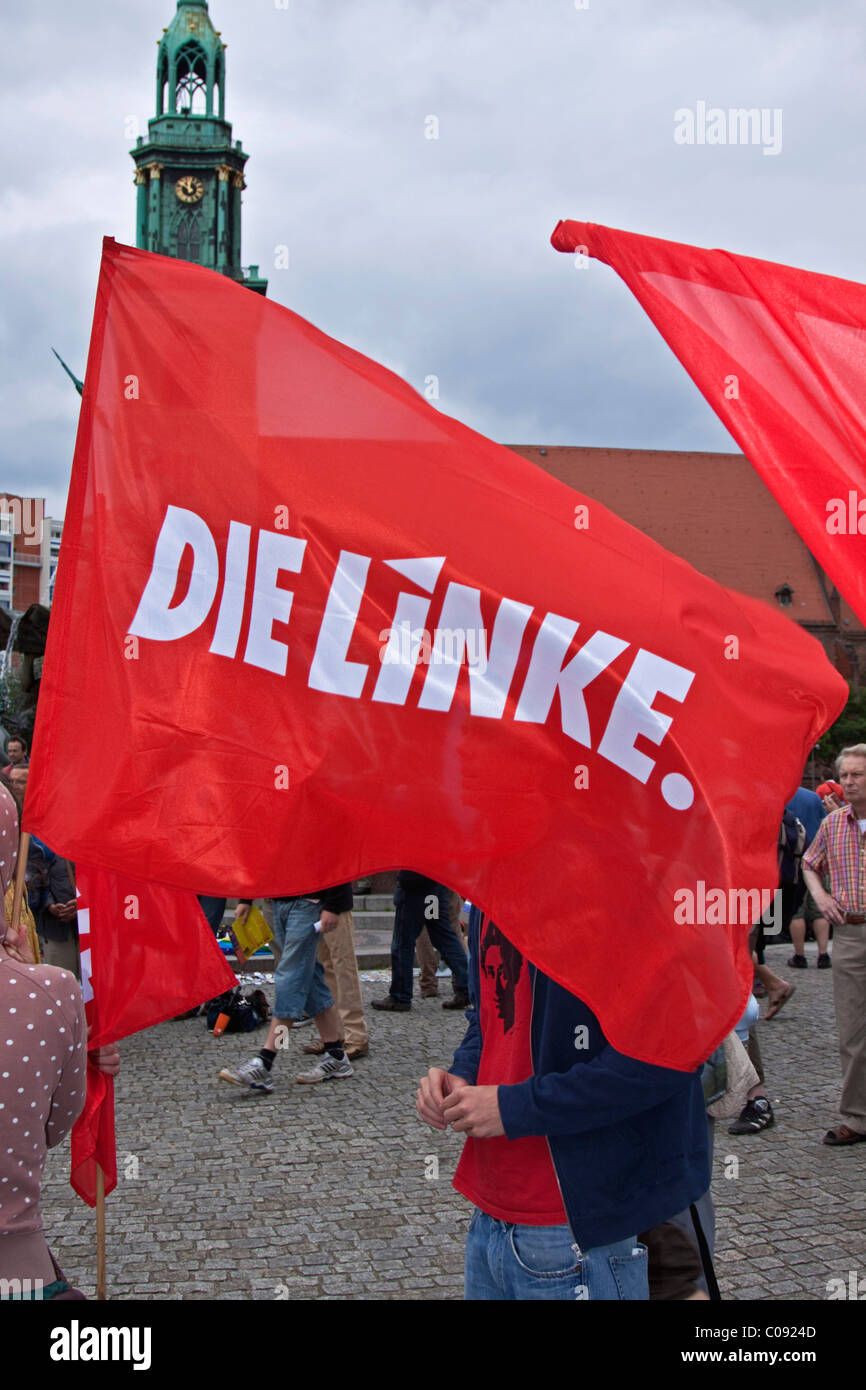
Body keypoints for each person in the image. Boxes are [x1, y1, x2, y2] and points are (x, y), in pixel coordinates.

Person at [416, 909, 709, 1300]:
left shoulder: (620, 889)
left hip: (578, 1223)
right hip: (492, 1210)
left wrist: (513, 1107)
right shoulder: (490, 883)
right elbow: (488, 1014)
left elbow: (666, 1059)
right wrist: (463, 1072)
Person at [218, 883, 355, 1091]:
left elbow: (338, 856)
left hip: (307, 902)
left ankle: (267, 1059)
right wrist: (247, 898)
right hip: (280, 899)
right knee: (308, 978)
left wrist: (335, 905)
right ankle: (336, 1054)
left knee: (290, 979)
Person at [802, 744, 866, 1145]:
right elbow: (809, 863)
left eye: (856, 775)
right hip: (851, 935)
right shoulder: (834, 824)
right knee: (853, 1029)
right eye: (845, 775)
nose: (847, 782)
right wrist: (821, 897)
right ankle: (858, 1117)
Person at [373, 872, 469, 1013]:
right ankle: (466, 987)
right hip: (435, 882)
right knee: (442, 936)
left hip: (414, 885)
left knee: (403, 942)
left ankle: (400, 996)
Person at [300, 906, 370, 1061]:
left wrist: (335, 904)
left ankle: (356, 1035)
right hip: (314, 903)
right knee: (324, 966)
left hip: (334, 902)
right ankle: (335, 1034)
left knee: (344, 966)